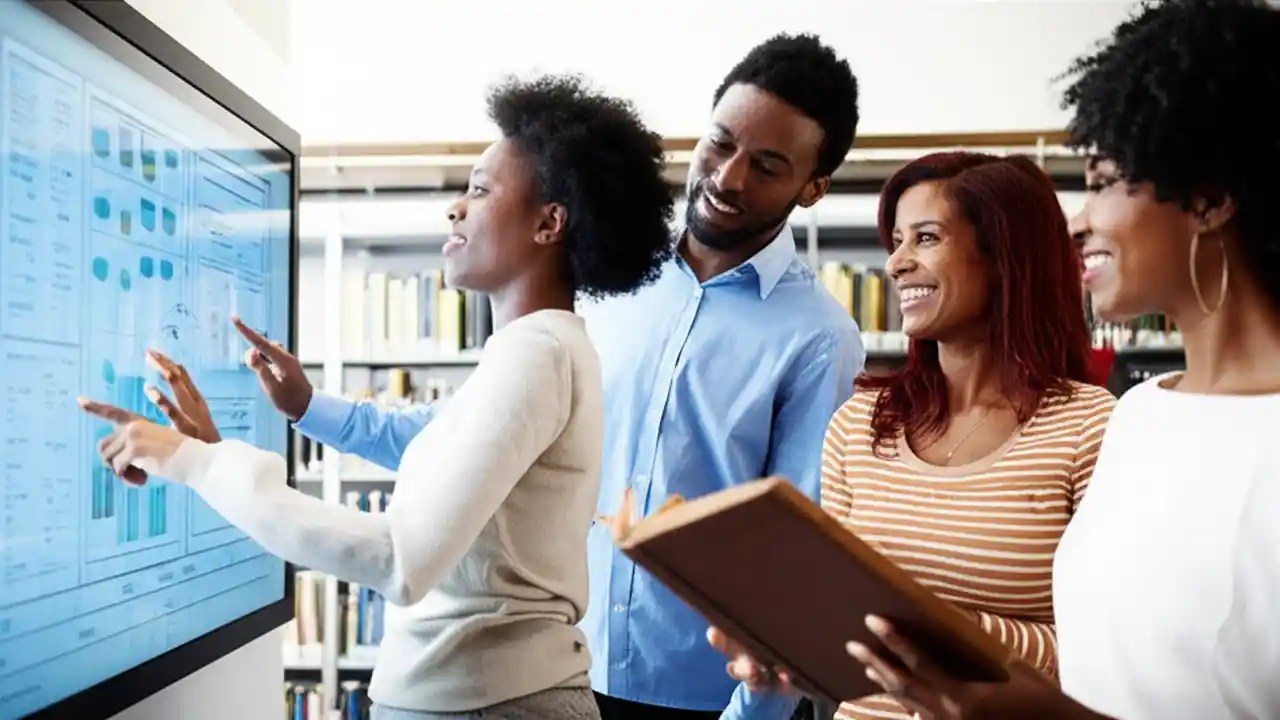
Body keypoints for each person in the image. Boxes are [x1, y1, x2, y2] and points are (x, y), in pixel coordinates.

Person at [225, 32, 863, 720]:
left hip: (704, 695)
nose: (730, 177)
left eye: (768, 165)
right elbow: (461, 440)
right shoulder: (602, 286)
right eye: (720, 143)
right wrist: (310, 407)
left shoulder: (819, 337)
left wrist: (756, 711)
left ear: (813, 187)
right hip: (565, 673)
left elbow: (797, 552)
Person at [721, 1, 1280, 718]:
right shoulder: (1147, 416)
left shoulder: (1098, 424)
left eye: (1105, 180)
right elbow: (1112, 658)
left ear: (1208, 199)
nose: (1080, 219)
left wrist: (945, 648)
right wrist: (808, 648)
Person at [79, 73, 676, 720]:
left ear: (549, 222)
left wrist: (195, 463)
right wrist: (218, 451)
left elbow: (401, 559)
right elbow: (420, 441)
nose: (455, 208)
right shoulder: (534, 351)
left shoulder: (539, 352)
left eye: (479, 189)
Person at [810, 151, 1115, 720]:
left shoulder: (1090, 427)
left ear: (1004, 255)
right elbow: (841, 626)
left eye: (925, 238)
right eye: (896, 240)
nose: (896, 263)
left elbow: (1110, 653)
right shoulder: (857, 425)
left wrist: (951, 631)